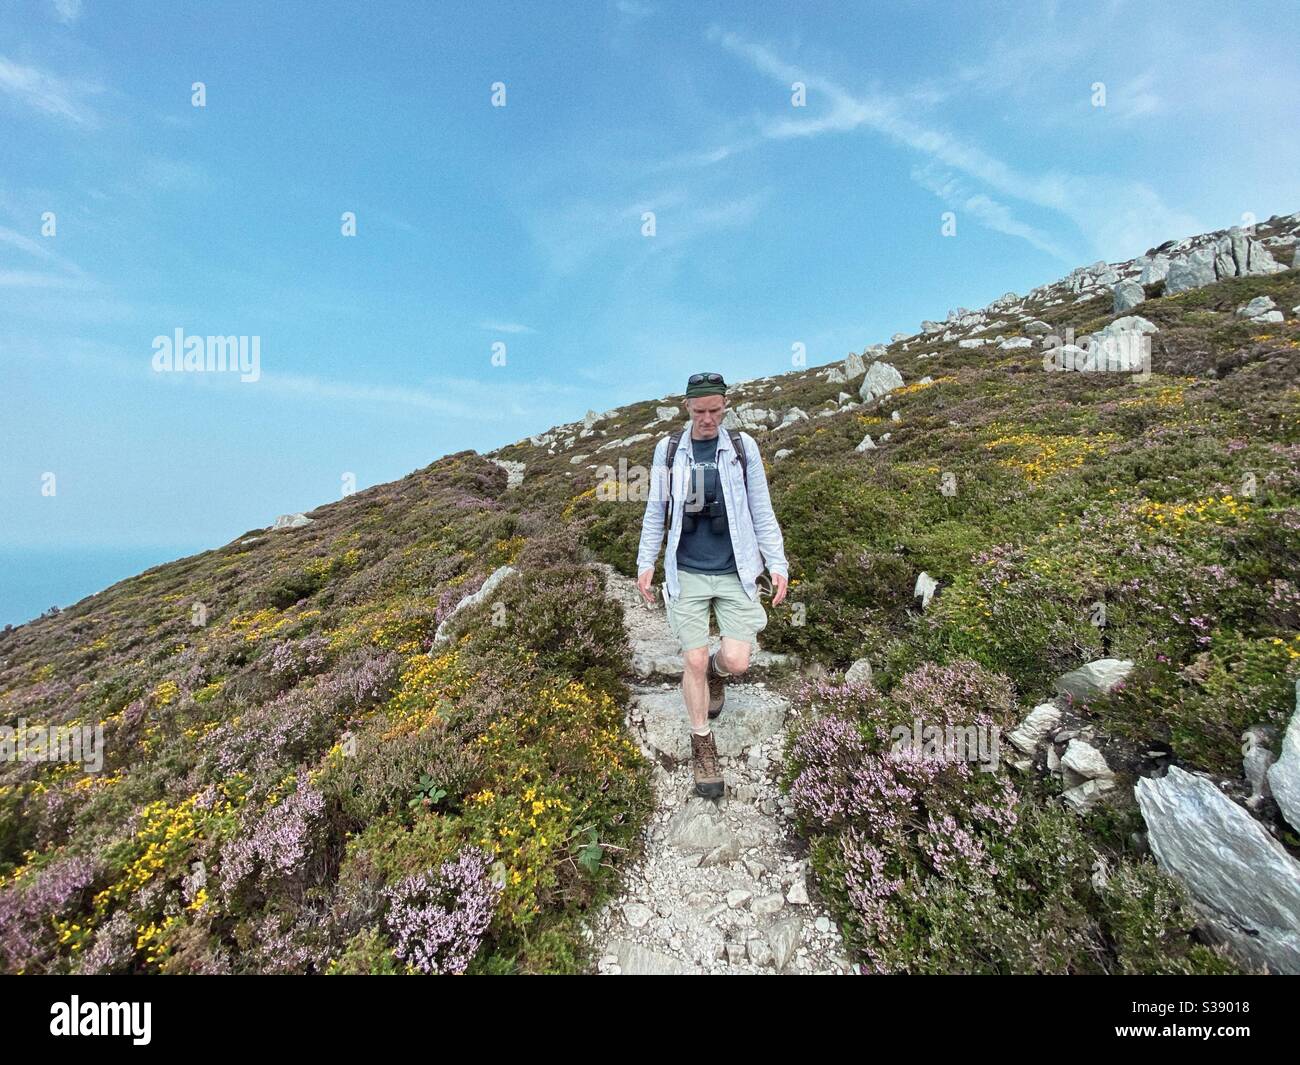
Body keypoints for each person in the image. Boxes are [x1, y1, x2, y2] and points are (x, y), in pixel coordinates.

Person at [636, 371, 789, 798]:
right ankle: (702, 743)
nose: (707, 420)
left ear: (725, 407)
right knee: (694, 659)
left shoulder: (743, 447)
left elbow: (761, 509)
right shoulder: (669, 450)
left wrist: (777, 562)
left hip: (735, 569)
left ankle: (718, 675)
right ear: (686, 407)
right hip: (686, 569)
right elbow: (656, 510)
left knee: (736, 661)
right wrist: (646, 562)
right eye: (700, 411)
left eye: (715, 411)